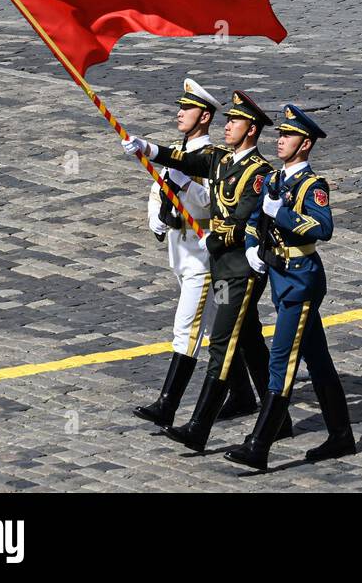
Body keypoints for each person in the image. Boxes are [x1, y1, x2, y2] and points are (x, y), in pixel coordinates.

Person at [121, 90, 276, 451]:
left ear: (250, 130)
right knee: (246, 337)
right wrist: (147, 147)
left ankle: (191, 423)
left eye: (234, 121)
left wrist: (214, 240)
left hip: (235, 265)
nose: (227, 126)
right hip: (215, 261)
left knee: (215, 340)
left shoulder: (259, 172)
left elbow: (243, 220)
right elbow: (183, 160)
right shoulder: (220, 160)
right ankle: (273, 415)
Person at [226, 105, 355, 469]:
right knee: (318, 360)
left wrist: (279, 213)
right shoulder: (273, 180)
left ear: (306, 144)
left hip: (301, 278)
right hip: (280, 275)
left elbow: (322, 228)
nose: (280, 141)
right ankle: (341, 436)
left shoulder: (313, 185)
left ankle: (259, 445)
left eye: (288, 136)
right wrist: (252, 247)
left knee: (281, 361)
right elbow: (254, 219)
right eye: (280, 135)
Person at [132, 78, 219, 428]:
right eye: (180, 107)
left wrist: (184, 183)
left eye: (188, 108)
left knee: (187, 328)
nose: (180, 113)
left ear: (205, 117)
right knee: (221, 331)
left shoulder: (214, 158)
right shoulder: (174, 152)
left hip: (202, 252)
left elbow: (213, 203)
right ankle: (244, 392)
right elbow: (157, 189)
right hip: (178, 250)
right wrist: (155, 217)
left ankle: (167, 404)